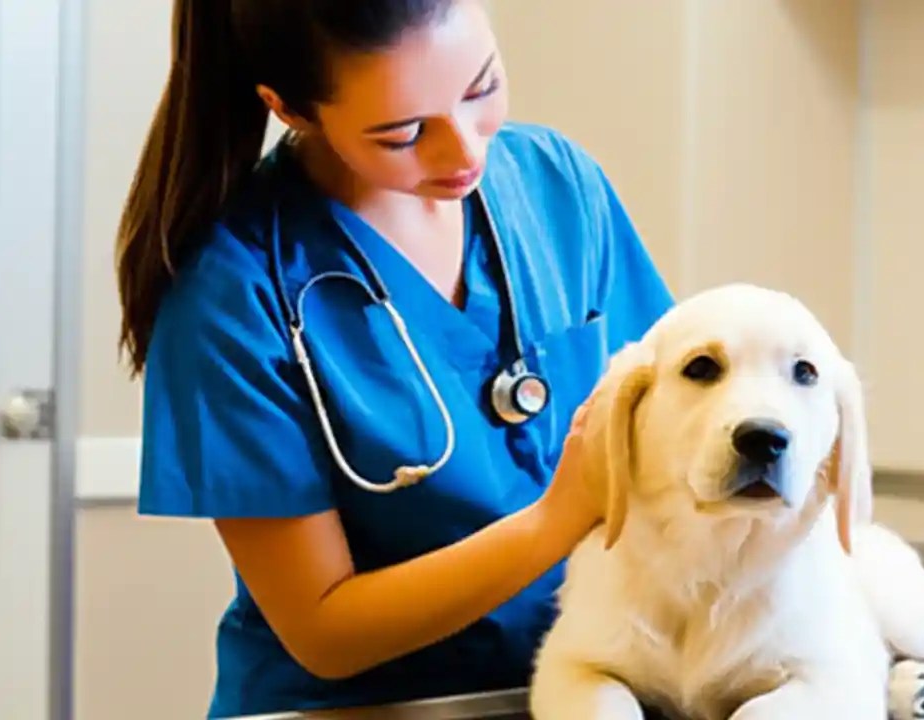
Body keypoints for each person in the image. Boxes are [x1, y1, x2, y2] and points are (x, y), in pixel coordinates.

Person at [114, 1, 674, 717]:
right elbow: (324, 630)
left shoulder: (560, 187)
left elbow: (675, 424)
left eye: (481, 87)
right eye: (404, 133)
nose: (464, 151)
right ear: (290, 109)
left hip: (582, 691)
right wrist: (553, 522)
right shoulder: (233, 287)